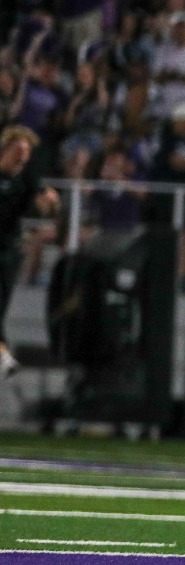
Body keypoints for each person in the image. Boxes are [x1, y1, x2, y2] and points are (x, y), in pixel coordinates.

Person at [0, 126, 60, 377]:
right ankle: (3, 356)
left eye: (26, 152)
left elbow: (41, 209)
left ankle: (3, 355)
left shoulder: (25, 181)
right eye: (18, 150)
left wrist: (48, 204)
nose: (22, 156)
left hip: (6, 252)